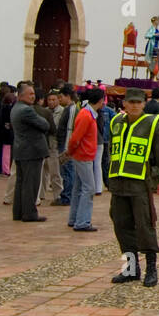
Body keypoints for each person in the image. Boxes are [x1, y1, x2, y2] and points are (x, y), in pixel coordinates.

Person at [107, 87, 159, 285]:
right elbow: (112, 148)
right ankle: (131, 268)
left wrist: (152, 178)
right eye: (131, 102)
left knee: (145, 226)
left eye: (138, 102)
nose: (134, 106)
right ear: (124, 104)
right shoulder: (116, 122)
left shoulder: (152, 124)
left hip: (139, 184)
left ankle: (151, 268)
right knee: (122, 227)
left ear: (144, 104)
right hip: (118, 183)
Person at [9, 82, 50, 223]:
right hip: (31, 151)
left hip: (21, 150)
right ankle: (29, 213)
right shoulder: (27, 110)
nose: (33, 97)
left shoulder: (16, 108)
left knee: (21, 183)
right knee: (31, 184)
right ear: (21, 96)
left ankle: (18, 212)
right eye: (30, 94)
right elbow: (45, 125)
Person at [65, 86, 104, 232]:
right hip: (83, 155)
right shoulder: (86, 115)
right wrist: (70, 151)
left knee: (79, 187)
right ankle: (82, 221)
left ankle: (74, 218)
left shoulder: (86, 113)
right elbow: (76, 138)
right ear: (100, 101)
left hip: (83, 155)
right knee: (89, 188)